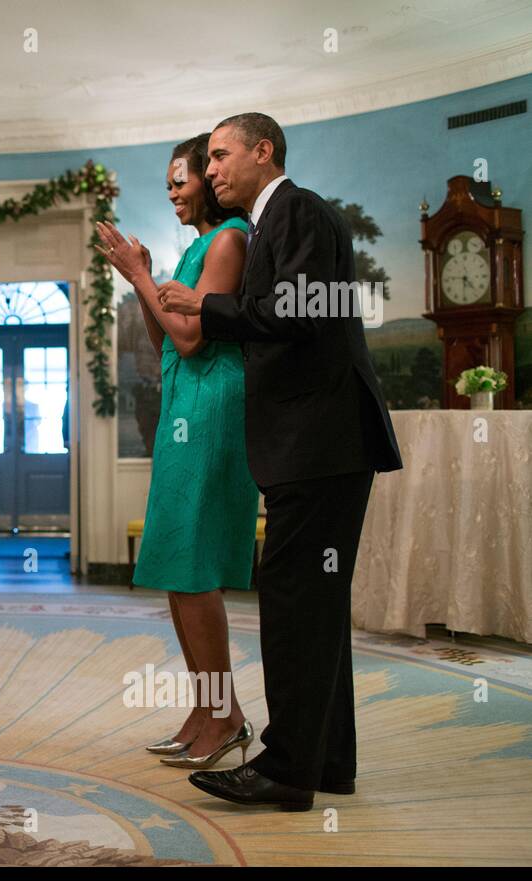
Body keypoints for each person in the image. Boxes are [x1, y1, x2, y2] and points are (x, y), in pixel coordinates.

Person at [157, 112, 402, 811]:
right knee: (312, 606)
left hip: (318, 444)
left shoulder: (295, 210)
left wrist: (208, 304)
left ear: (264, 152)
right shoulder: (282, 219)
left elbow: (295, 315)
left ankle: (287, 769)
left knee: (294, 601)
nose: (210, 173)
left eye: (221, 156)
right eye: (206, 161)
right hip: (319, 444)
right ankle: (328, 761)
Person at [95, 133, 257, 769]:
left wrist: (139, 272)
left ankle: (227, 716)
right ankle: (207, 708)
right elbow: (172, 328)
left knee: (194, 566)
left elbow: (190, 339)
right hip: (185, 404)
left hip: (212, 403)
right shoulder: (198, 247)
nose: (173, 191)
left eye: (181, 178)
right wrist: (144, 280)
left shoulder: (230, 239)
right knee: (176, 567)